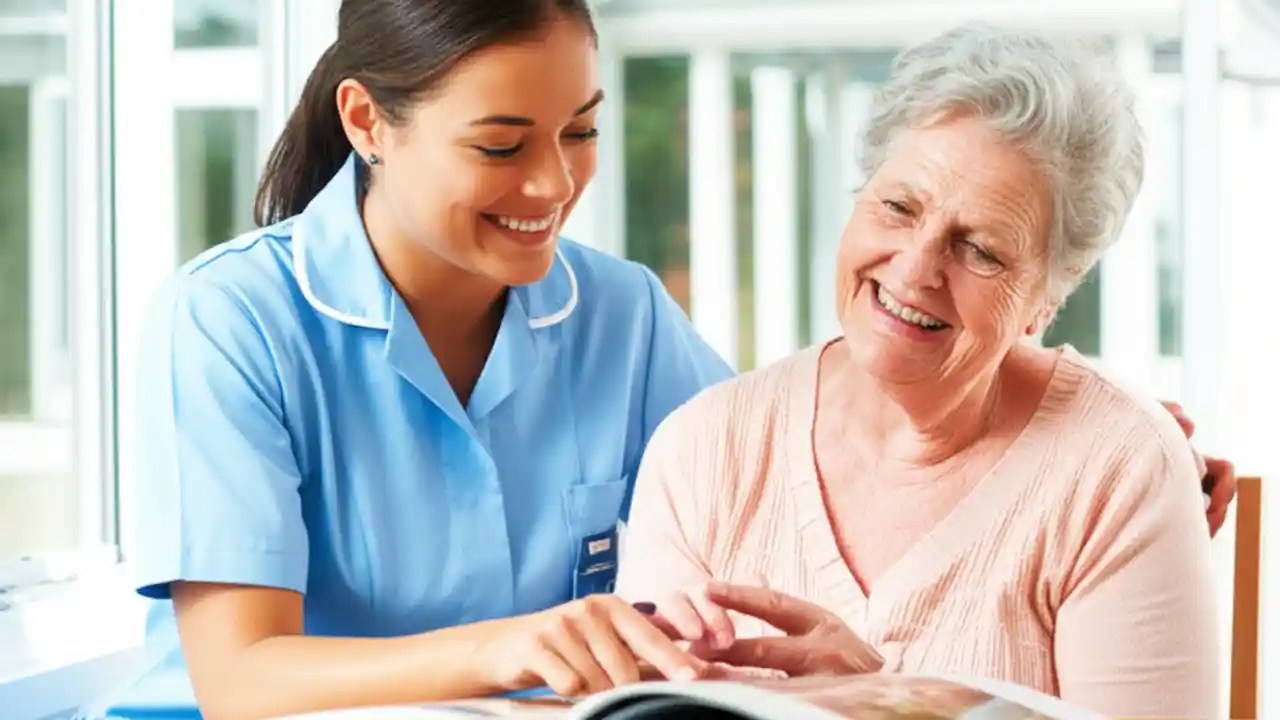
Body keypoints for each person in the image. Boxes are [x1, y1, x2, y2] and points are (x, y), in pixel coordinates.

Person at [128, 1, 731, 717]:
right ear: (365, 121)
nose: (556, 184)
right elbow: (243, 681)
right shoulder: (229, 317)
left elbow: (761, 527)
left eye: (581, 131)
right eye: (501, 147)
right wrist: (505, 650)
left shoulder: (625, 314)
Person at [616, 24, 1223, 720]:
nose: (913, 272)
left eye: (981, 251)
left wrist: (890, 701)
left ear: (1049, 295)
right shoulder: (704, 448)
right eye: (898, 207)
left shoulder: (1116, 469)